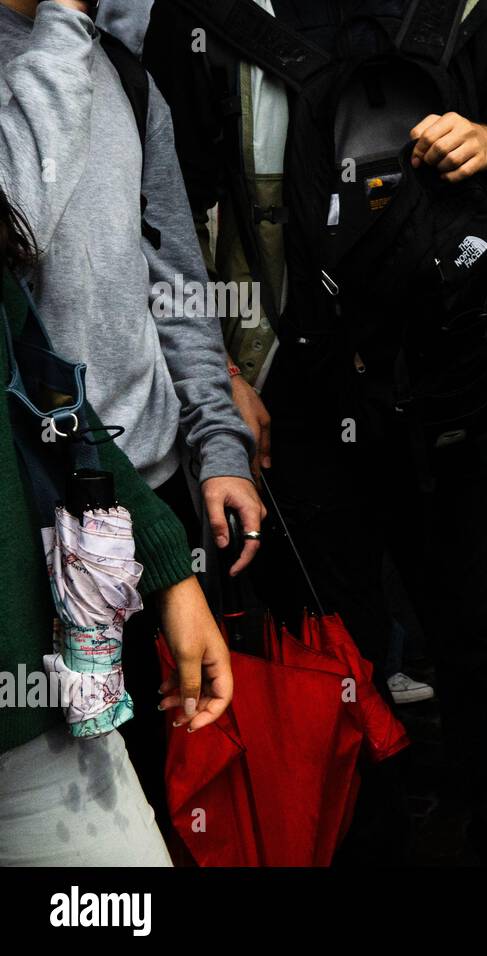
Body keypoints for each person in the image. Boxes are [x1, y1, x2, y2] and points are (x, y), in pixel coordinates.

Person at [145, 0, 487, 863]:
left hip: (455, 392)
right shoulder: (204, 21)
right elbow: (161, 215)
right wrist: (218, 374)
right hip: (297, 400)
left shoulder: (465, 10)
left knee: (482, 647)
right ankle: (367, 846)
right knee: (334, 656)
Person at [0, 0, 232, 866]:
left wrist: (218, 446)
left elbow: (175, 279)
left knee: (147, 787)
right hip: (33, 521)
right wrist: (61, 20)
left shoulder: (126, 74)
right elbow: (12, 228)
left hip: (143, 491)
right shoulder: (56, 50)